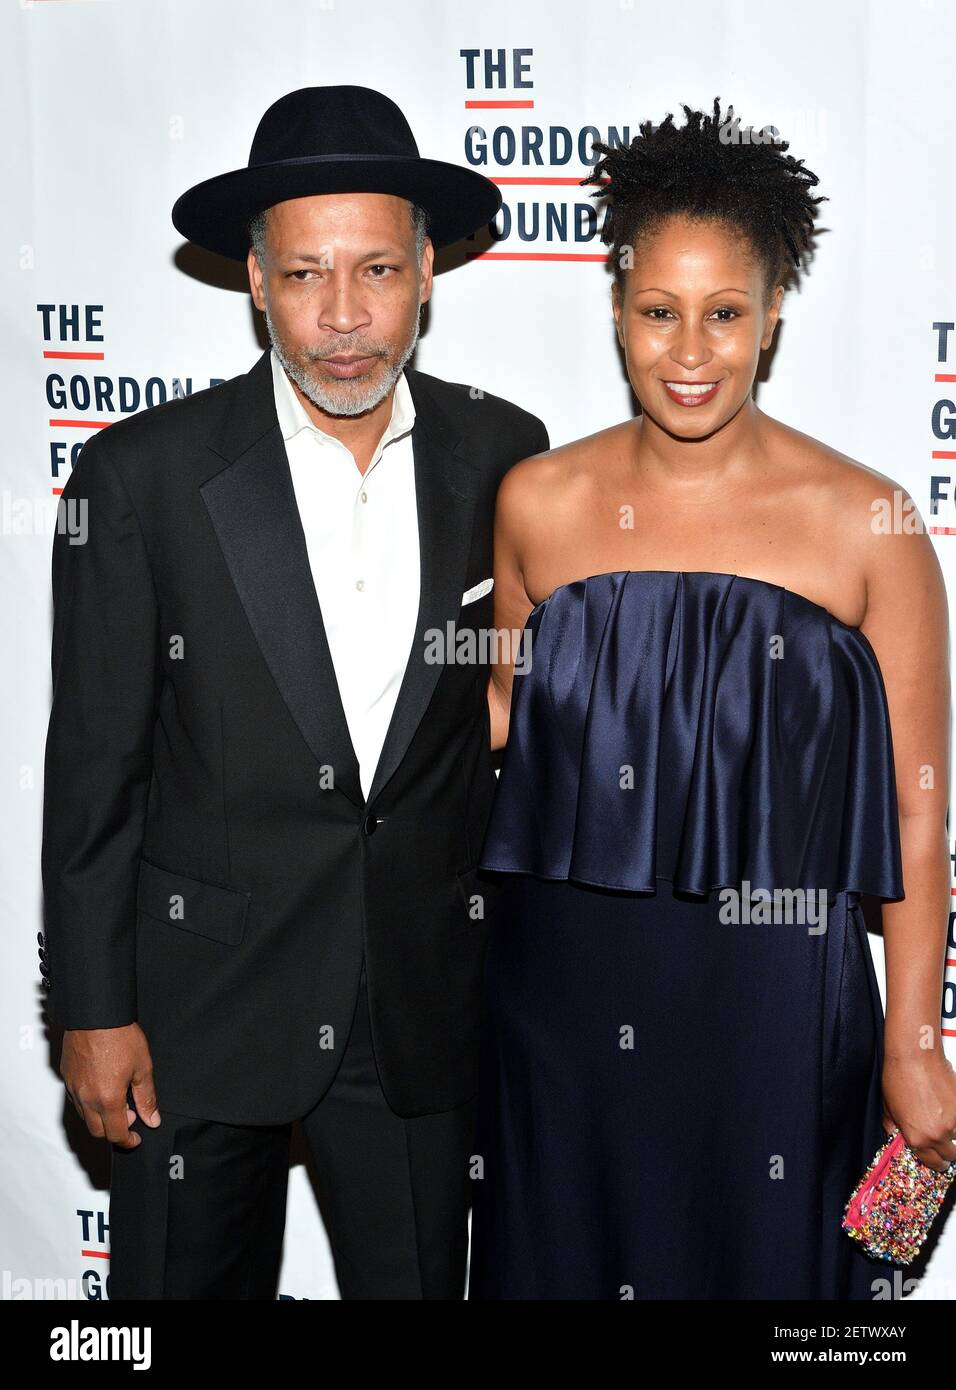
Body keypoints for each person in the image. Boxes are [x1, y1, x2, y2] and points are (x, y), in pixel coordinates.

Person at [39, 85, 548, 1300]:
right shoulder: (141, 477)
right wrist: (92, 1009)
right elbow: (95, 766)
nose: (342, 319)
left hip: (418, 1003)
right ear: (254, 281)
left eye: (375, 270)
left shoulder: (506, 455)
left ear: (428, 272)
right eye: (306, 274)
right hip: (195, 1012)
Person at [467, 99, 955, 1300]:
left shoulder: (868, 522)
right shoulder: (536, 499)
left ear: (774, 310)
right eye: (655, 312)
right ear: (616, 308)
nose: (689, 353)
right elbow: (498, 746)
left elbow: (914, 810)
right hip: (560, 1012)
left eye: (724, 313)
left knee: (796, 1283)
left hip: (779, 1010)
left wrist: (911, 1039)